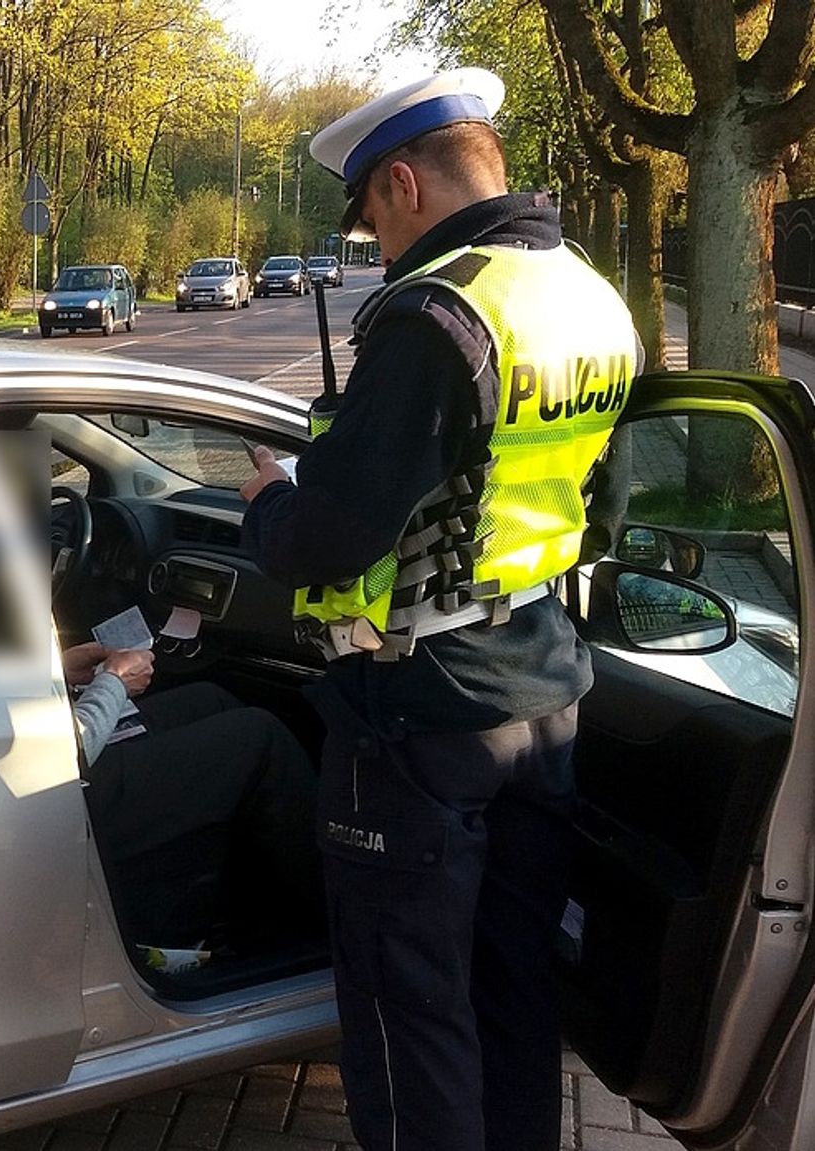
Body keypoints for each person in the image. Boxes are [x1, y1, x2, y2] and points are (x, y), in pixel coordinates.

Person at [238, 69, 638, 1151]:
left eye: (369, 216)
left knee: (409, 1012)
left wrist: (269, 500)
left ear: (404, 180)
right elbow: (601, 509)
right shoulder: (590, 299)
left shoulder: (436, 313)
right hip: (544, 700)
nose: (374, 241)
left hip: (414, 724)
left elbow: (329, 538)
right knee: (513, 987)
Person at [61, 641, 322, 954]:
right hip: (55, 800)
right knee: (260, 739)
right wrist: (114, 683)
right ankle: (346, 911)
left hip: (51, 759)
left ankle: (256, 905)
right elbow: (60, 757)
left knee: (210, 700)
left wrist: (61, 673)